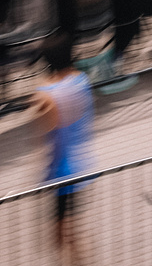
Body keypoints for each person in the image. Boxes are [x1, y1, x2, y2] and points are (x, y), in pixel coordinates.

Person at [31, 31, 95, 264]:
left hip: (61, 170)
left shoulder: (45, 95)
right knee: (71, 227)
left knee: (62, 231)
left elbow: (46, 137)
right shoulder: (82, 80)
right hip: (82, 164)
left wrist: (40, 172)